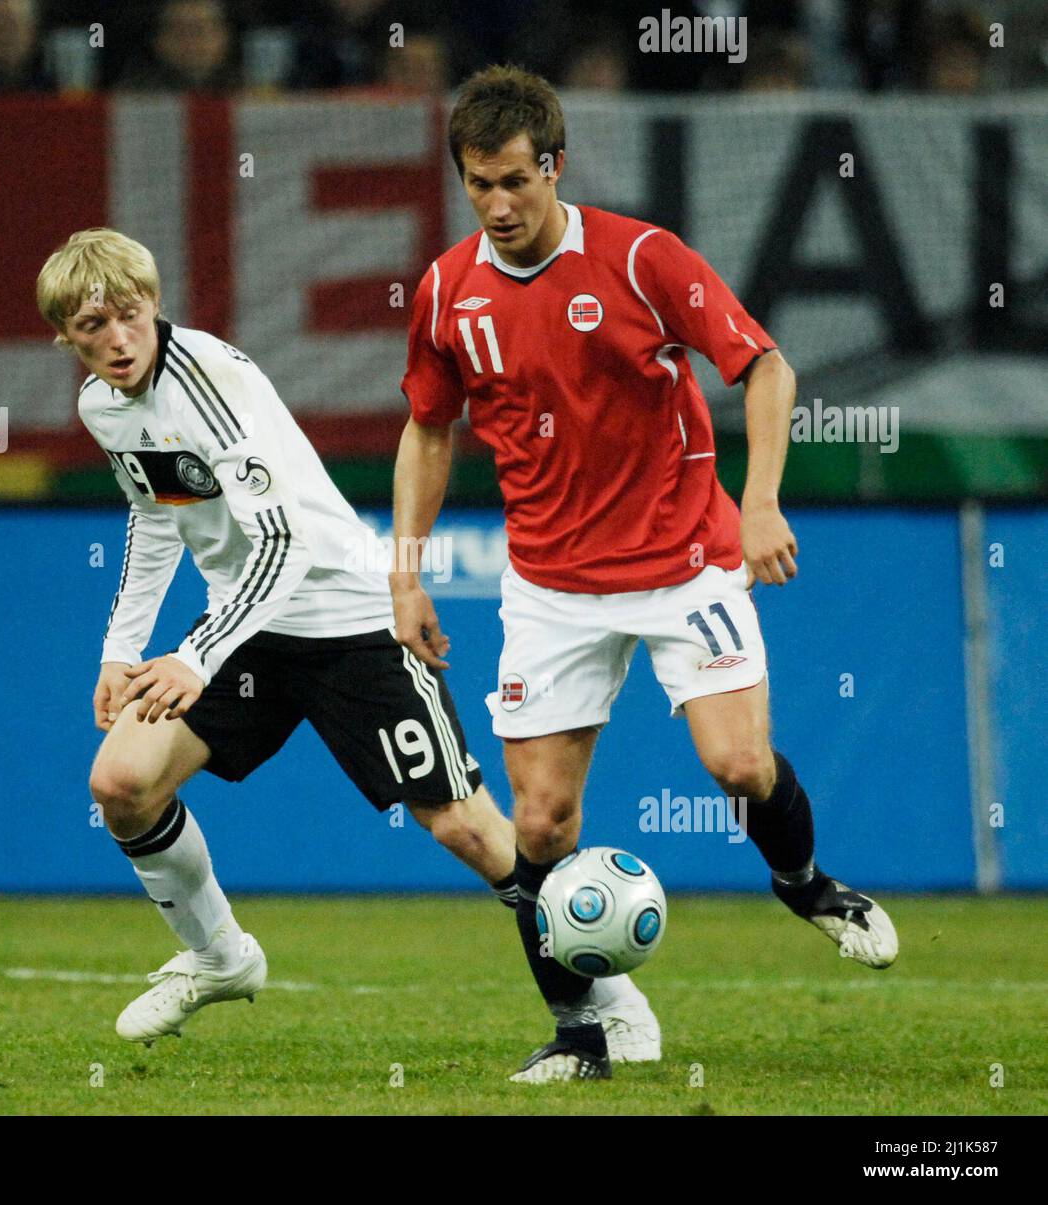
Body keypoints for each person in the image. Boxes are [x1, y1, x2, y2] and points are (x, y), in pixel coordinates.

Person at [391, 66, 899, 1084]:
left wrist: (757, 501)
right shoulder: (448, 290)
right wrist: (404, 571)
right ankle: (579, 1036)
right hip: (548, 583)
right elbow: (427, 427)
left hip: (683, 562)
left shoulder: (639, 258)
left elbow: (763, 364)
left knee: (738, 767)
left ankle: (803, 882)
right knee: (537, 821)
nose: (496, 205)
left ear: (554, 167)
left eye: (514, 183)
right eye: (477, 184)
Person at [35, 227, 652, 1053]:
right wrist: (121, 647)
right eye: (90, 327)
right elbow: (157, 515)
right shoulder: (104, 406)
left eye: (128, 316)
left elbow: (284, 548)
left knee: (467, 827)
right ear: (65, 338)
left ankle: (606, 1001)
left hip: (348, 620)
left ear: (155, 305)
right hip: (247, 627)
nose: (115, 339)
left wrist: (195, 654)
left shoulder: (211, 382)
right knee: (121, 781)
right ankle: (219, 957)